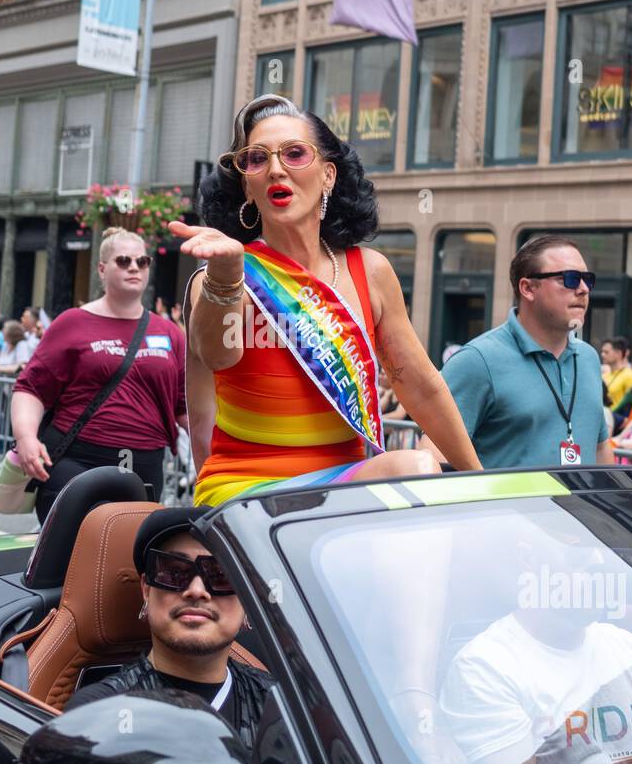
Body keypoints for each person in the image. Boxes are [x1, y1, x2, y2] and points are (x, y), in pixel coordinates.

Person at [169, 94, 479, 506]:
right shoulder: (224, 272)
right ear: (247, 184)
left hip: (340, 484)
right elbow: (218, 355)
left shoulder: (370, 272)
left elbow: (420, 387)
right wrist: (226, 275)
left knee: (417, 467)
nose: (276, 168)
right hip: (245, 486)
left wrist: (480, 482)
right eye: (257, 159)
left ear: (328, 175)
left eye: (295, 154)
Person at [438, 549, 632, 764]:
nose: (597, 564)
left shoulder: (627, 647)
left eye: (600, 556)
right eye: (577, 553)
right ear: (530, 559)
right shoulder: (485, 668)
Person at [11, 227, 188, 522]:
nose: (134, 267)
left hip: (145, 467)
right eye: (123, 261)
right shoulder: (73, 322)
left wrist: (219, 455)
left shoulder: (169, 332)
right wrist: (26, 437)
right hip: (78, 461)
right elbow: (31, 388)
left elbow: (186, 407)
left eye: (141, 262)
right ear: (102, 269)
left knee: (127, 561)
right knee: (68, 557)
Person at [63, 507, 273, 750]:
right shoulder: (98, 713)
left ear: (247, 598)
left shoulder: (281, 705)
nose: (196, 590)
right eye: (174, 573)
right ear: (146, 590)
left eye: (220, 575)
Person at [440, 235, 613, 469]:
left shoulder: (589, 358)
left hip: (578, 507)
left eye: (587, 279)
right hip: (508, 507)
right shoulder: (477, 360)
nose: (583, 289)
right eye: (570, 279)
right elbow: (434, 453)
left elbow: (600, 447)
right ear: (528, 288)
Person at [600, 336, 632, 409]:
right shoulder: (604, 375)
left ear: (618, 353)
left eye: (606, 352)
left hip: (619, 418)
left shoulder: (630, 376)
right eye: (602, 352)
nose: (602, 355)